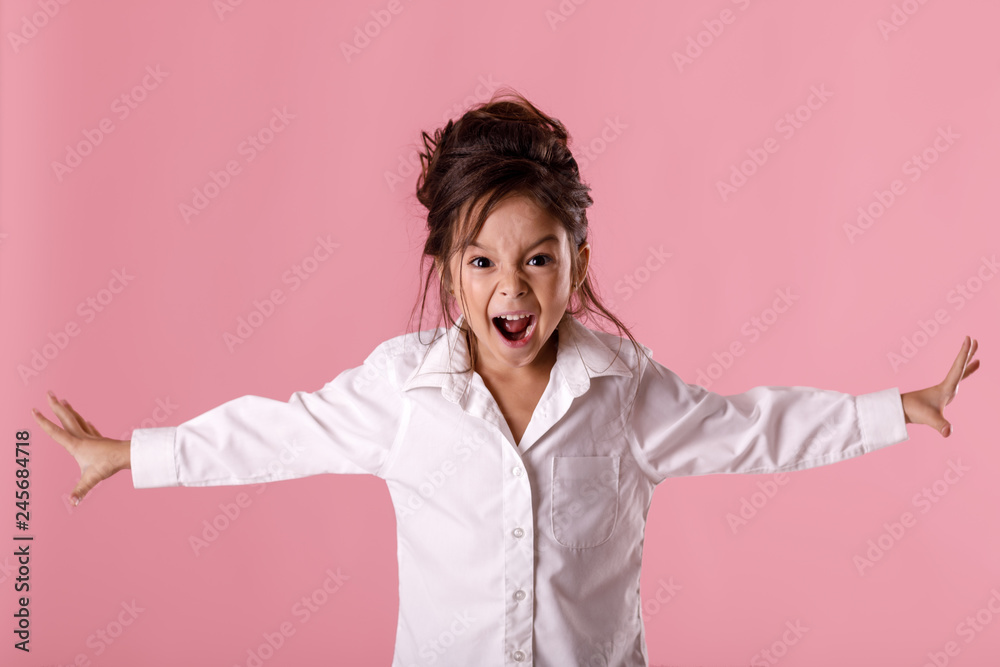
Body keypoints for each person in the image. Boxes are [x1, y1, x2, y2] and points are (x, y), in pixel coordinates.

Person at [32, 89, 981, 667]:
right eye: (482, 261)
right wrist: (131, 453)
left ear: (578, 261)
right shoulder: (404, 393)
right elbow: (279, 433)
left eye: (538, 258)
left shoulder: (625, 392)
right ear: (449, 269)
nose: (510, 285)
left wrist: (897, 408)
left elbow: (753, 428)